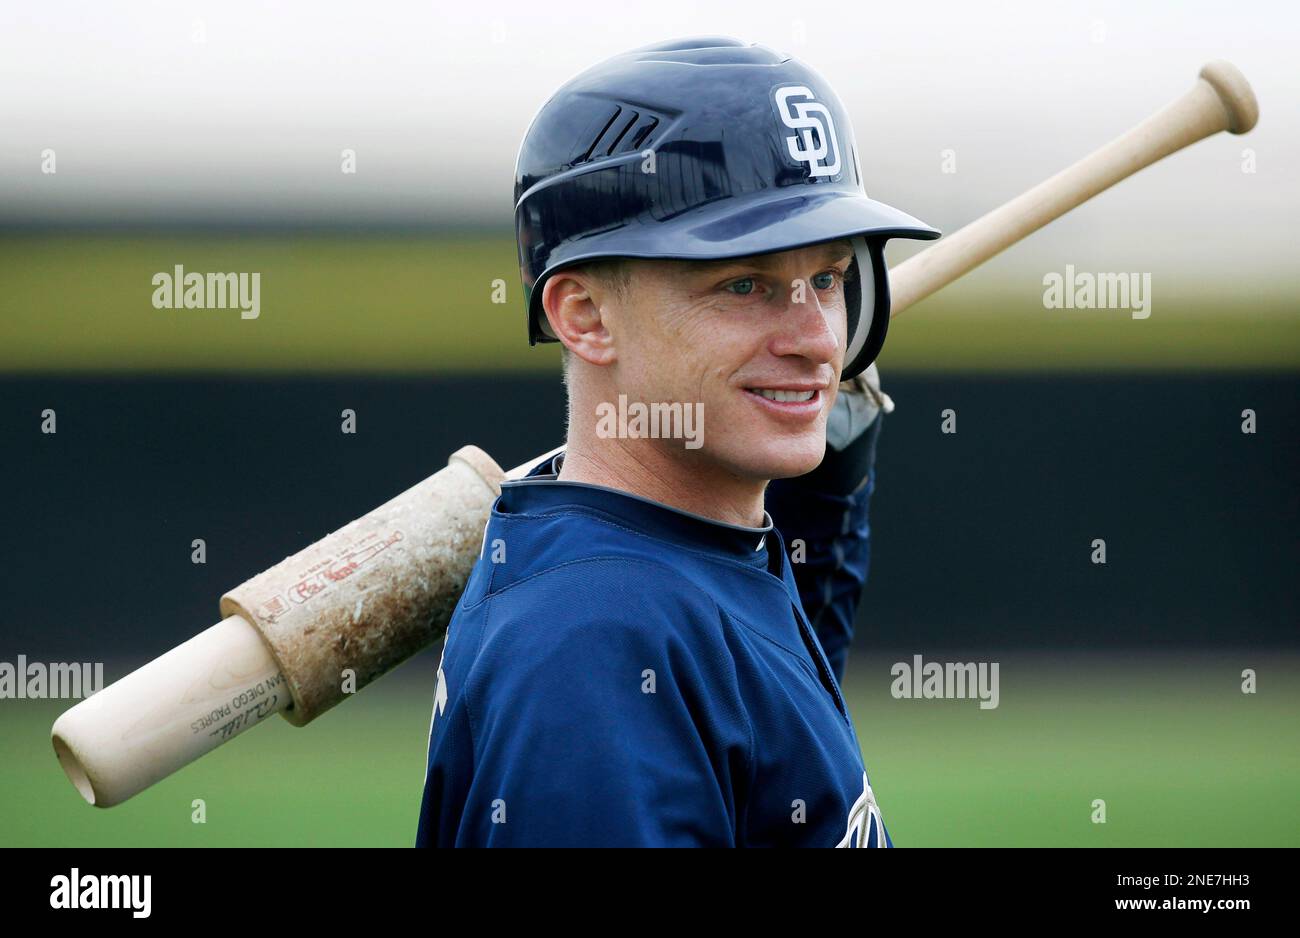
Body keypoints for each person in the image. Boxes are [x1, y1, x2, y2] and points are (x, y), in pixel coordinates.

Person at [417, 36, 937, 847]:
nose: (816, 338)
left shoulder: (694, 561)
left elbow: (771, 777)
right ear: (584, 316)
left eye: (828, 279)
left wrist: (826, 511)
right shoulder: (594, 651)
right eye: (744, 284)